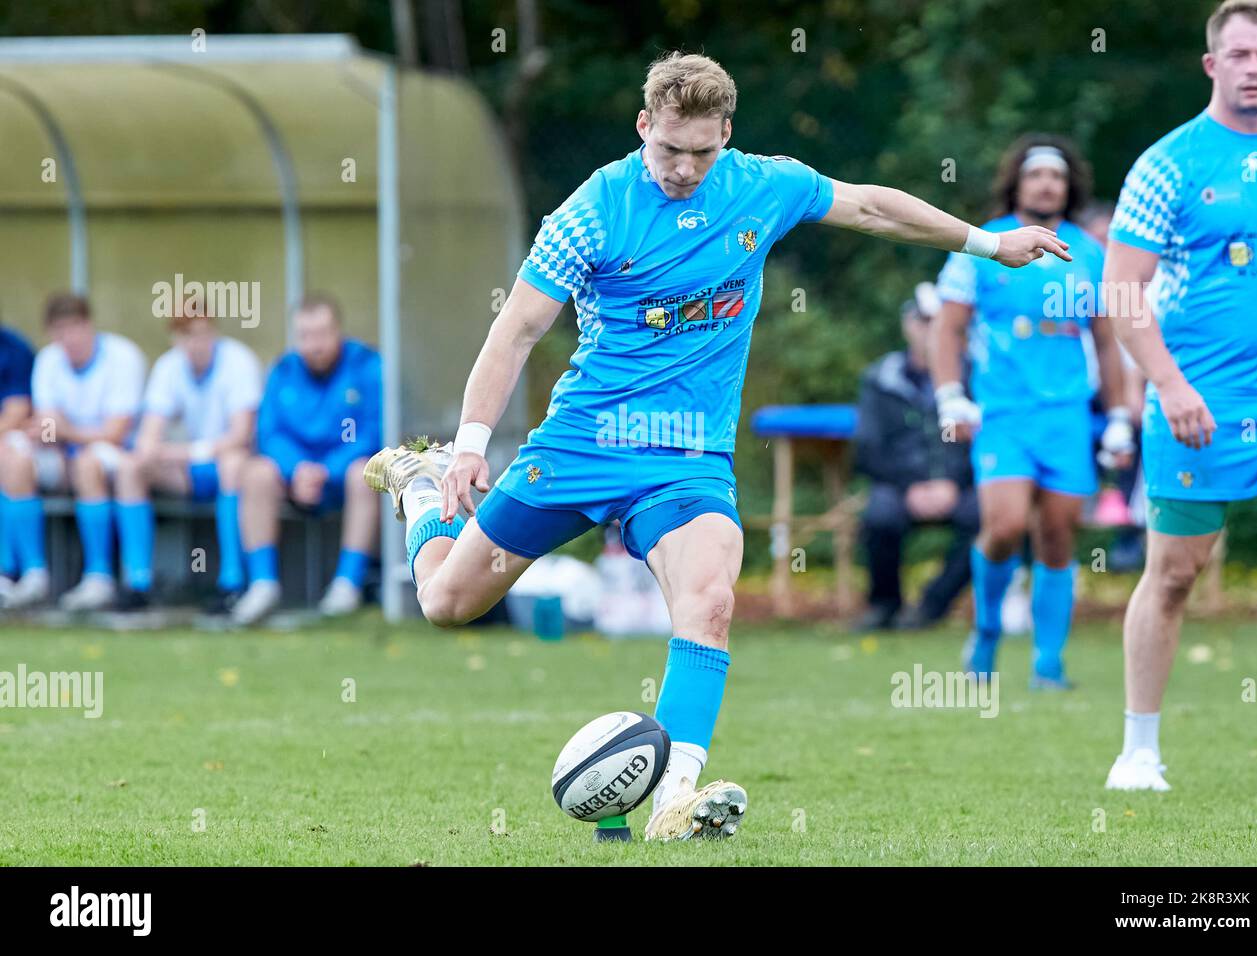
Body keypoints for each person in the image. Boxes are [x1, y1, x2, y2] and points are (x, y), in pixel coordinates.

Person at [362, 52, 1069, 841]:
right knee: (448, 604)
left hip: (687, 460)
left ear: (726, 135)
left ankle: (675, 799)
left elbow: (871, 208)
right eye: (669, 150)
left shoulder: (762, 184)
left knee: (710, 600)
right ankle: (419, 489)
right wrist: (464, 449)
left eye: (702, 151)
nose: (685, 169)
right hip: (582, 442)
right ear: (644, 127)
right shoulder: (593, 210)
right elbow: (517, 329)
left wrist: (986, 243)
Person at [1102, 0, 1257, 791]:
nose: (1255, 67)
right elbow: (1121, 292)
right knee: (1175, 575)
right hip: (1197, 410)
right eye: (1240, 54)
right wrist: (1172, 387)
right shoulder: (1170, 162)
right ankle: (1139, 751)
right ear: (1213, 66)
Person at [930, 134, 1135, 688]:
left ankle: (1049, 662)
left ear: (1069, 187)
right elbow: (947, 329)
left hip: (1066, 415)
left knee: (1059, 535)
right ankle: (988, 634)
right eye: (1037, 174)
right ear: (1017, 181)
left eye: (1058, 176)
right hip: (1003, 413)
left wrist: (1118, 414)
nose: (1047, 184)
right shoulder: (982, 243)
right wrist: (951, 394)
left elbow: (1106, 337)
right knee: (1005, 526)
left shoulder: (1089, 252)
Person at [228, 294, 382, 626]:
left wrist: (328, 470)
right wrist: (296, 469)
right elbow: (269, 433)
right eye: (306, 336)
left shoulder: (367, 366)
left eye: (323, 333)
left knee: (364, 474)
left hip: (342, 475)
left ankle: (347, 584)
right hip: (295, 477)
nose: (315, 345)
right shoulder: (282, 370)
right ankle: (263, 584)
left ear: (338, 330)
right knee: (255, 473)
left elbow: (373, 430)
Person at [1, 293, 146, 611]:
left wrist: (65, 432)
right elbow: (49, 426)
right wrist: (56, 433)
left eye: (75, 328)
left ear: (89, 325)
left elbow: (116, 432)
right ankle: (32, 575)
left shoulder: (122, 356)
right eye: (61, 331)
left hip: (115, 457)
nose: (69, 339)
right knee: (12, 455)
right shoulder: (50, 360)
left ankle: (100, 577)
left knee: (88, 462)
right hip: (65, 452)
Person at [112, 305, 262, 611]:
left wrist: (181, 452)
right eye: (188, 336)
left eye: (203, 333)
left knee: (233, 462)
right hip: (188, 471)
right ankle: (138, 583)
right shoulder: (169, 367)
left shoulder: (238, 361)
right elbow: (148, 437)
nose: (197, 343)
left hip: (229, 470)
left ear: (214, 332)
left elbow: (241, 435)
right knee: (131, 468)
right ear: (175, 339)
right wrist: (154, 450)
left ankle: (231, 583)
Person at [853, 283, 978, 632]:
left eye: (937, 320)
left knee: (993, 516)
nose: (929, 329)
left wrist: (951, 482)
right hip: (899, 486)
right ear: (908, 324)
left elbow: (986, 443)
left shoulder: (976, 376)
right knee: (880, 515)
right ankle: (884, 605)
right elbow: (868, 448)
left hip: (960, 485)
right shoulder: (880, 379)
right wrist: (912, 486)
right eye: (923, 320)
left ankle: (931, 606)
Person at [0, 317, 35, 599]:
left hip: (18, 443)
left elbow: (16, 412)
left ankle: (9, 570)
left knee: (7, 453)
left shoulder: (13, 349)